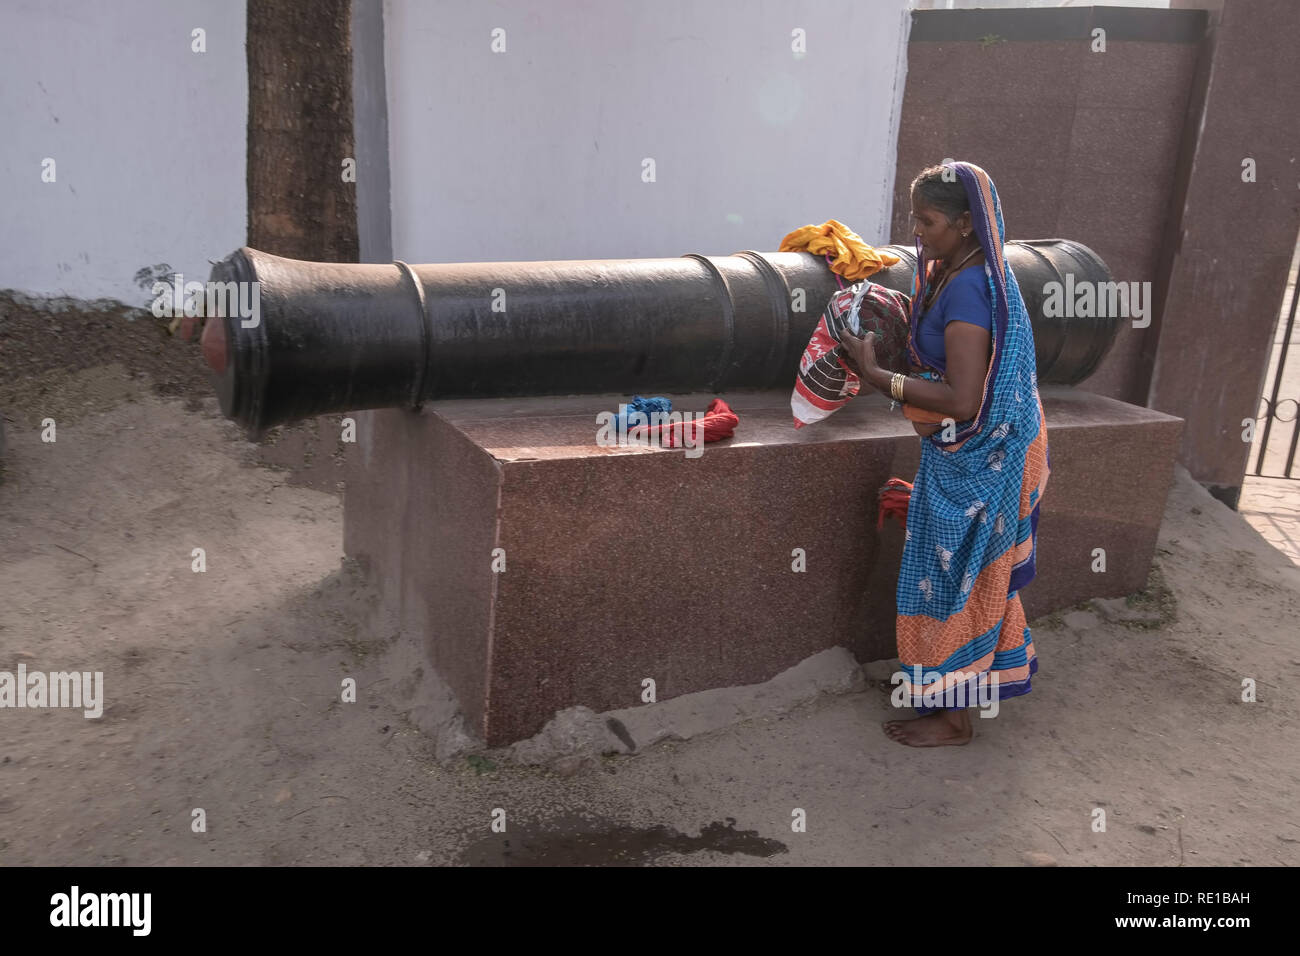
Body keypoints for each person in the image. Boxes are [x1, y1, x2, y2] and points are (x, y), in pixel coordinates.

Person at [837, 161, 1051, 747]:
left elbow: (961, 398)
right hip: (974, 457)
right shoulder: (959, 270)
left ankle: (952, 718)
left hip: (985, 459)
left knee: (955, 580)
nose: (918, 230)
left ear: (963, 222)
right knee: (979, 578)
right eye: (915, 217)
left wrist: (880, 377)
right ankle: (946, 688)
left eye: (927, 220)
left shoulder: (968, 287)